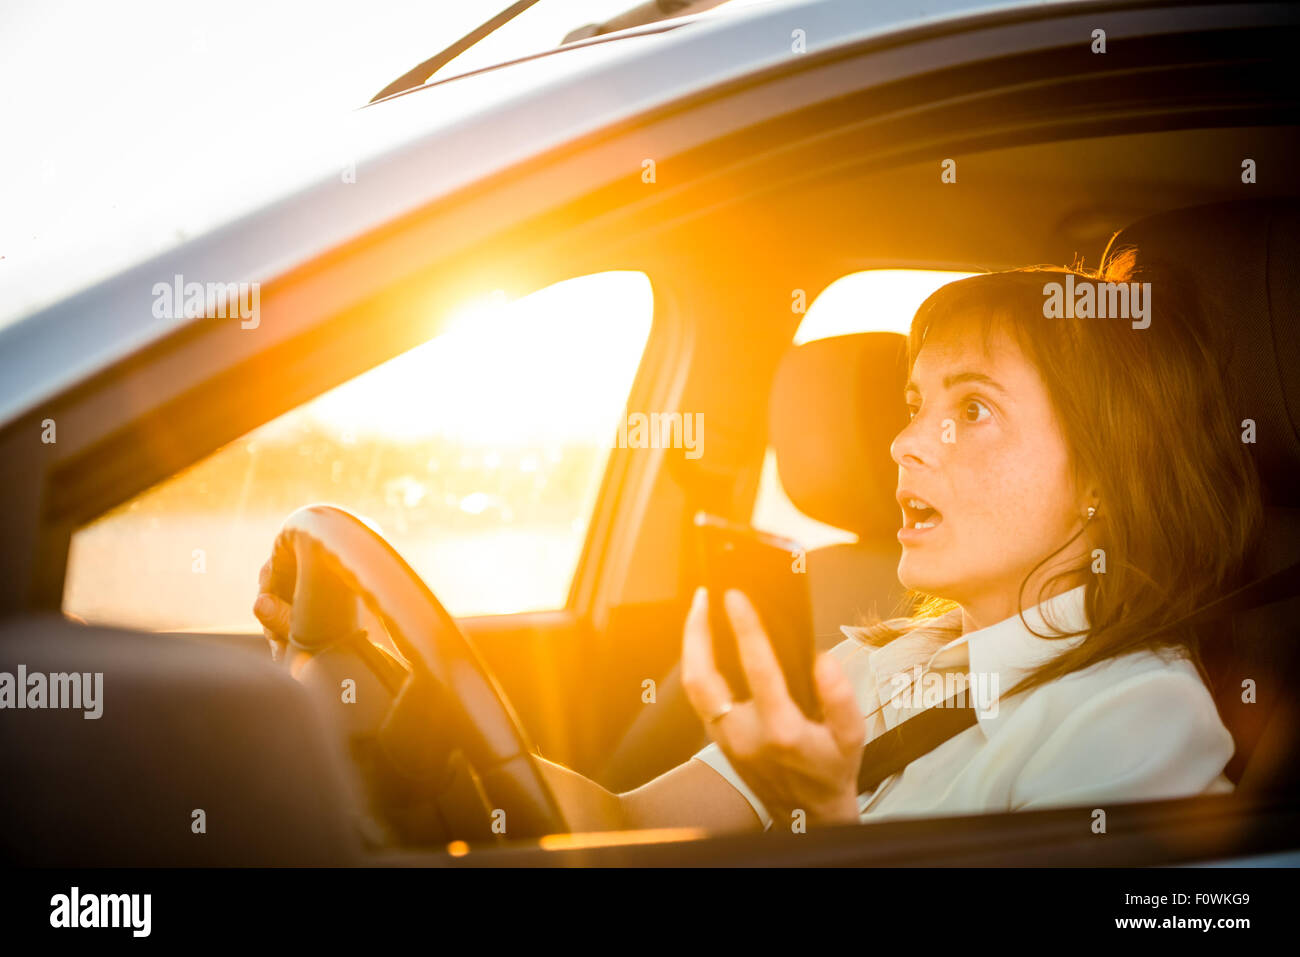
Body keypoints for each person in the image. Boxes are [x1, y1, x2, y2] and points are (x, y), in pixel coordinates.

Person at [254, 250, 1262, 835]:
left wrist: (824, 823)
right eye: (914, 406)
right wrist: (394, 686)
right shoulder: (875, 663)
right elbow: (619, 827)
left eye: (973, 409)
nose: (904, 442)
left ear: (1100, 476)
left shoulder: (1139, 719)